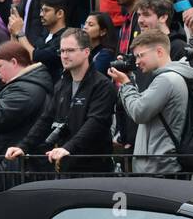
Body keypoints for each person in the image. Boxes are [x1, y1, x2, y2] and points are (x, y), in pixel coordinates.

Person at [9, 28, 116, 173]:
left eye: (70, 50)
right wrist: (23, 146)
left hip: (94, 168)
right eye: (62, 51)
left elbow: (95, 122)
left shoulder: (102, 85)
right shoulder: (61, 85)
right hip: (65, 165)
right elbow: (46, 119)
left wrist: (68, 148)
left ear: (86, 52)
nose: (64, 56)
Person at [0, 41, 57, 187]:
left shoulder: (26, 89)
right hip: (8, 167)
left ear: (14, 62)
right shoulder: (22, 85)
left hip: (13, 170)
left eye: (0, 66)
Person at [113, 27, 193, 175]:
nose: (137, 62)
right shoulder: (171, 77)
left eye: (140, 55)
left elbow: (139, 112)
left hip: (158, 168)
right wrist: (131, 81)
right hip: (158, 165)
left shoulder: (166, 80)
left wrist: (126, 85)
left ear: (159, 51)